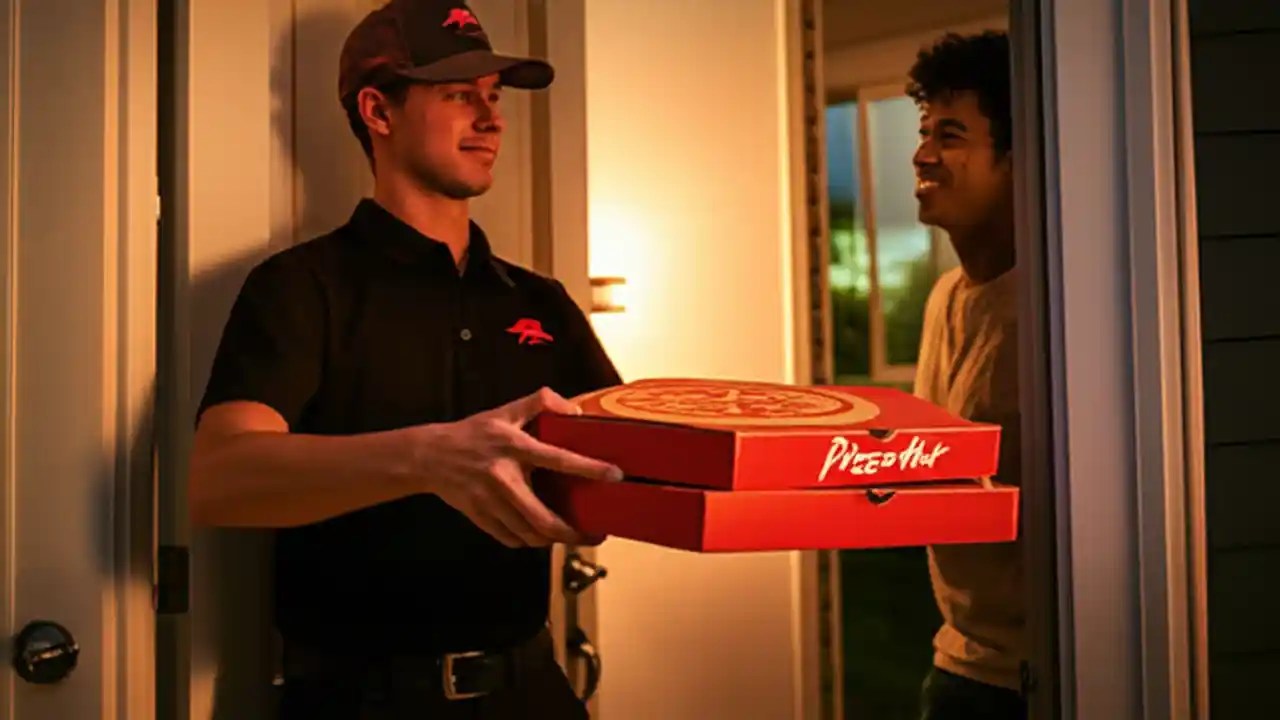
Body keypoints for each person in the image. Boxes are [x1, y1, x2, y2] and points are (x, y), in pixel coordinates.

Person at [187, 1, 623, 717]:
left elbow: (626, 460)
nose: (491, 119)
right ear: (377, 111)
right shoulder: (301, 286)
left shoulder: (538, 300)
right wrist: (426, 459)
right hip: (357, 700)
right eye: (458, 95)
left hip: (530, 692)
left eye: (494, 97)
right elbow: (219, 479)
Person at [906, 31, 1027, 720]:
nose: (922, 154)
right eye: (924, 133)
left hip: (1038, 674)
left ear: (1016, 159)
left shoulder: (1056, 307)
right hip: (958, 662)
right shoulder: (945, 297)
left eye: (950, 136)